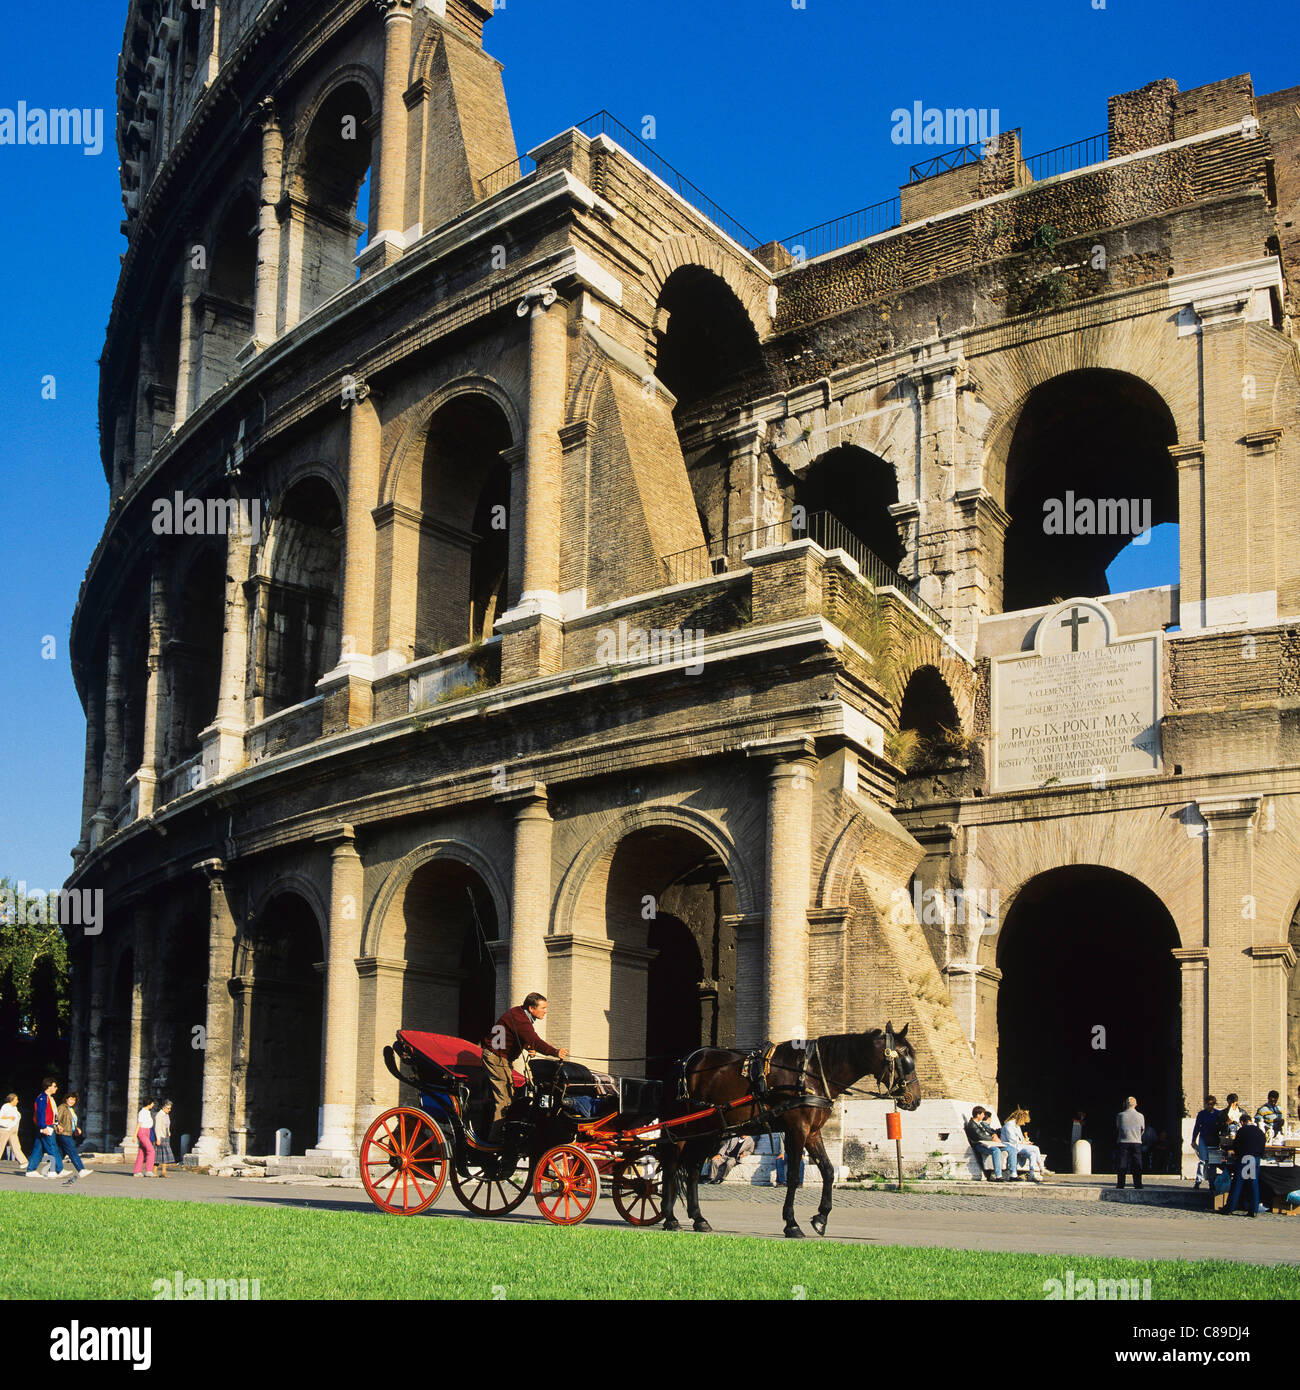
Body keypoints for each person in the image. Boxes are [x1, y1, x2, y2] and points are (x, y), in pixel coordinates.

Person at [480, 993, 568, 1139]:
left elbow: (511, 1036)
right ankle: (495, 1141)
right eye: (543, 1008)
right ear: (531, 1008)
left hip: (500, 1058)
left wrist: (527, 1046)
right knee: (504, 1100)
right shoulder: (520, 1018)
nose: (546, 1011)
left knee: (510, 1097)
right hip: (496, 1059)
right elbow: (535, 1040)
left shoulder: (519, 1014)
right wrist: (555, 1051)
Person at [1223, 1114, 1266, 1217]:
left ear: (1242, 1122)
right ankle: (1253, 1210)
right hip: (1255, 1159)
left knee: (1238, 1183)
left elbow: (1236, 1145)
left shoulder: (1242, 1131)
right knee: (1253, 1185)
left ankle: (1230, 1208)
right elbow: (1262, 1148)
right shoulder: (1260, 1131)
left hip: (1244, 1159)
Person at [25, 1078, 63, 1180]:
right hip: (46, 1126)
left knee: (39, 1148)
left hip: (49, 1125)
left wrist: (57, 1124)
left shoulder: (49, 1098)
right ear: (48, 1086)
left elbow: (52, 1113)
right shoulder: (42, 1098)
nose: (56, 1088)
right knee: (52, 1147)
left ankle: (31, 1170)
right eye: (54, 1086)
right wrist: (43, 1127)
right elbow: (40, 1113)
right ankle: (56, 1170)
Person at [965, 1106, 1015, 1180]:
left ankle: (1013, 1174)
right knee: (996, 1150)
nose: (984, 1116)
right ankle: (998, 1175)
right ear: (978, 1115)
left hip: (990, 1142)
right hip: (980, 1144)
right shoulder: (971, 1125)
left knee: (1011, 1149)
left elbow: (989, 1130)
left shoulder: (980, 1123)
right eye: (982, 1114)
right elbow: (980, 1136)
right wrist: (993, 1139)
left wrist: (994, 1135)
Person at [1001, 1107, 1046, 1181]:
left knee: (1033, 1153)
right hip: (1010, 1144)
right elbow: (1011, 1139)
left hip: (1017, 1145)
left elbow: (1020, 1138)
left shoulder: (1017, 1125)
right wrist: (1024, 1143)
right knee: (1036, 1148)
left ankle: (1032, 1174)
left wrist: (1026, 1142)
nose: (1024, 1124)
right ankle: (1042, 1168)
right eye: (1024, 1121)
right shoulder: (1009, 1124)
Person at [54, 1091, 90, 1180]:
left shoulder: (70, 1109)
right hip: (63, 1133)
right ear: (66, 1099)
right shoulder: (62, 1107)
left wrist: (76, 1129)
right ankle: (81, 1170)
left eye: (74, 1100)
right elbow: (56, 1118)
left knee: (61, 1153)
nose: (72, 1101)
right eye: (70, 1099)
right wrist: (58, 1126)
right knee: (72, 1151)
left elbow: (71, 1122)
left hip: (69, 1133)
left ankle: (53, 1171)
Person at [1115, 1096, 1145, 1190]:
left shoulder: (1120, 1115)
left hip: (1123, 1141)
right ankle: (1138, 1184)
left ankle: (1120, 1184)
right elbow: (1142, 1129)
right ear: (1136, 1104)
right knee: (1137, 1164)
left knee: (1122, 1163)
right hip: (1136, 1142)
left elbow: (1118, 1128)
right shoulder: (1140, 1116)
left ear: (1125, 1104)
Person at [1190, 1094, 1218, 1190]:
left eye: (1212, 1104)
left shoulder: (1218, 1114)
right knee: (1202, 1161)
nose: (1210, 1106)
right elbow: (1197, 1127)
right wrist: (1193, 1139)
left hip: (1214, 1140)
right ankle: (1198, 1181)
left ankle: (1212, 1182)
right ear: (1206, 1104)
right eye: (1208, 1104)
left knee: (1212, 1162)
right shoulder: (1201, 1114)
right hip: (1203, 1139)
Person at [132, 1098, 157, 1177]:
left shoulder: (148, 1112)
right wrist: (134, 1135)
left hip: (148, 1131)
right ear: (149, 1104)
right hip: (142, 1132)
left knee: (142, 1152)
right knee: (151, 1150)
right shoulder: (142, 1112)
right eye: (152, 1103)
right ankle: (149, 1170)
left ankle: (137, 1171)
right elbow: (139, 1124)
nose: (153, 1105)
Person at [0, 1092, 26, 1166]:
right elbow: (1, 1117)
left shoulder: (14, 1108)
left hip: (12, 1130)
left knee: (16, 1146)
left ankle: (23, 1162)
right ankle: (23, 1162)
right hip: (5, 1129)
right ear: (12, 1100)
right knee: (1, 1146)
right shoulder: (6, 1106)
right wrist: (10, 1118)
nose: (17, 1101)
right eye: (16, 1099)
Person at [154, 1099, 174, 1177]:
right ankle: (154, 1171)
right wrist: (158, 1138)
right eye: (168, 1108)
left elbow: (167, 1125)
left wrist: (168, 1131)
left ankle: (163, 1171)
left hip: (166, 1135)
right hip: (160, 1136)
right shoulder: (159, 1115)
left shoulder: (166, 1115)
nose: (169, 1110)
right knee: (158, 1154)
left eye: (170, 1108)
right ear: (164, 1107)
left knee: (165, 1154)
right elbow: (157, 1127)